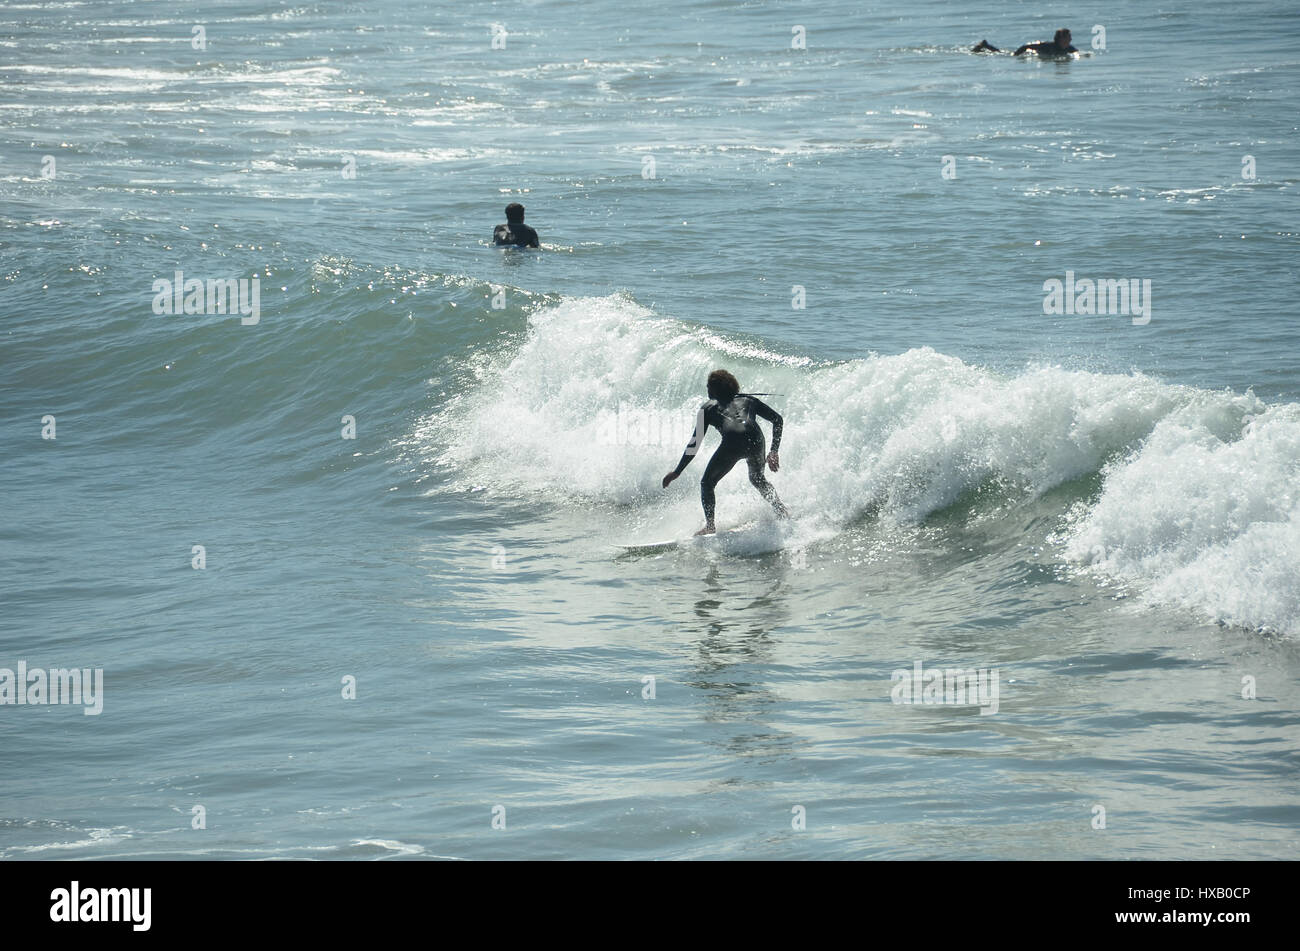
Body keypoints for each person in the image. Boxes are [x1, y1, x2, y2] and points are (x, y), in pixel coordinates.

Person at [662, 369, 789, 535]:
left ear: (714, 389)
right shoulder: (749, 400)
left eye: (708, 387)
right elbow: (777, 419)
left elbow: (695, 443)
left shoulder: (707, 408)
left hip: (733, 443)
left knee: (707, 483)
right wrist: (773, 451)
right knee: (758, 479)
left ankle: (710, 526)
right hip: (756, 440)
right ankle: (781, 510)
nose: (707, 390)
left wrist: (677, 471)